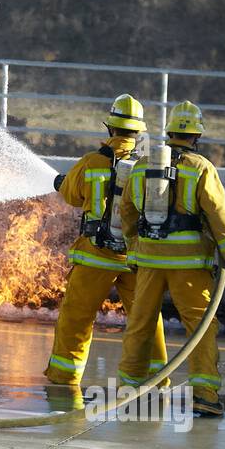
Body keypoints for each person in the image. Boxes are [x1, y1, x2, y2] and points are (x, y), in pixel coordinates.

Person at [117, 100, 225, 417]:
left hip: (149, 261)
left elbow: (128, 211)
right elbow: (217, 213)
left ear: (170, 131)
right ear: (196, 136)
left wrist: (134, 248)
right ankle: (205, 395)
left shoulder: (144, 165)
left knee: (140, 325)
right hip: (188, 265)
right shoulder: (201, 168)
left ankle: (128, 391)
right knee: (200, 327)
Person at [45, 94, 166, 409]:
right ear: (137, 132)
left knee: (77, 317)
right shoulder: (148, 166)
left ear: (110, 127)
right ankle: (156, 379)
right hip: (134, 257)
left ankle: (64, 378)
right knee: (146, 317)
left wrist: (62, 182)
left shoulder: (92, 161)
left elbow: (71, 194)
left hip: (94, 255)